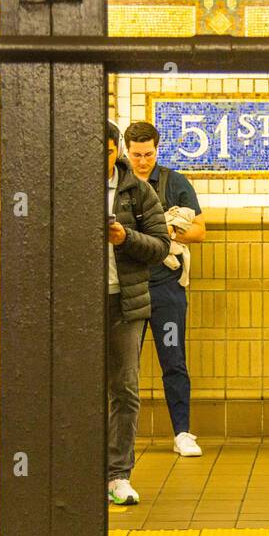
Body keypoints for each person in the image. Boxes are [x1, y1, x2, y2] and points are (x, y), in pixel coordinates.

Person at [123, 121, 207, 458]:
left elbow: (200, 231)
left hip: (166, 290)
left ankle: (182, 432)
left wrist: (165, 234)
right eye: (136, 155)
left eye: (148, 154)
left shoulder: (174, 182)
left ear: (158, 149)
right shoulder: (118, 186)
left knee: (173, 360)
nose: (143, 161)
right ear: (126, 152)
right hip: (127, 287)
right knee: (124, 365)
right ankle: (118, 437)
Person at [106, 121, 171, 506]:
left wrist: (125, 238)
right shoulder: (68, 188)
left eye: (108, 150)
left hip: (125, 303)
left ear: (117, 150)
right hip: (77, 305)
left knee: (125, 389)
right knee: (77, 389)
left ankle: (118, 474)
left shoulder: (138, 191)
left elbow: (161, 245)